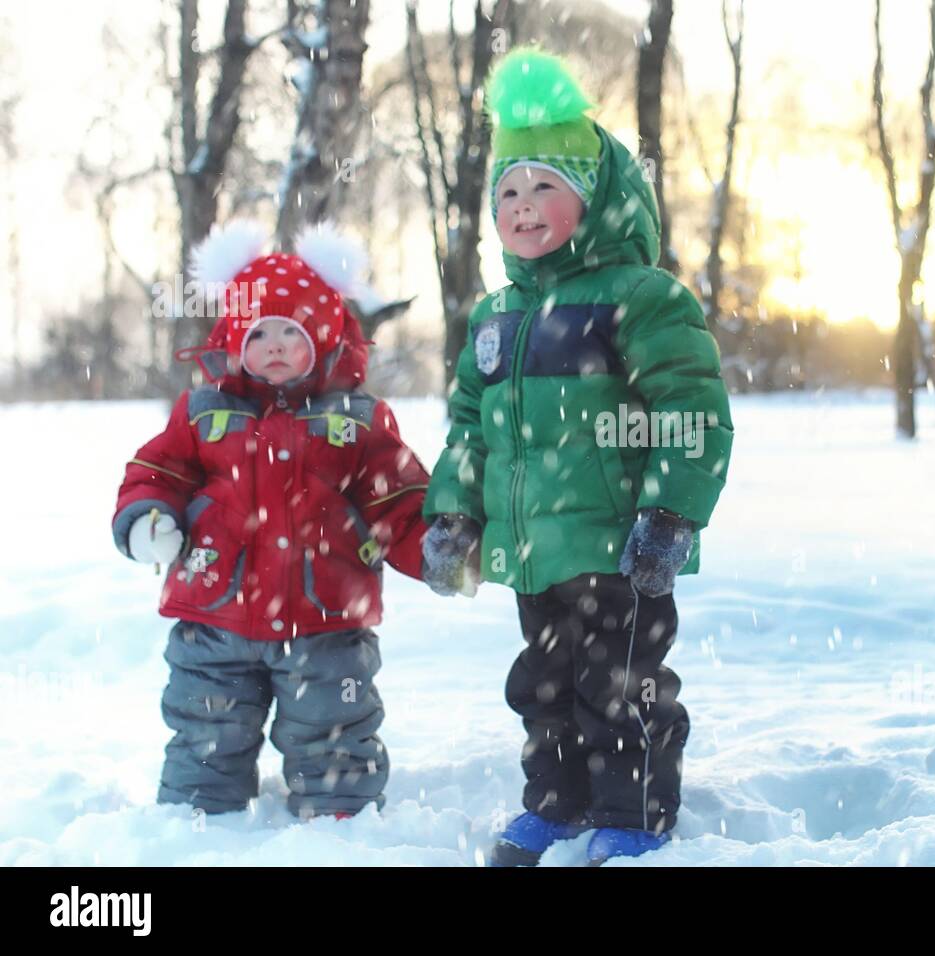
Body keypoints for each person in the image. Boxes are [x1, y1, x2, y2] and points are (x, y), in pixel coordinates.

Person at [421, 49, 734, 865]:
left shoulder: (642, 297)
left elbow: (691, 413)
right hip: (533, 552)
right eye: (508, 192)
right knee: (543, 686)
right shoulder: (494, 317)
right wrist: (455, 514)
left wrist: (669, 516)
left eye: (544, 188)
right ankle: (557, 803)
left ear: (594, 203)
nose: (522, 207)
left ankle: (634, 813)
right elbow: (468, 427)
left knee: (618, 685)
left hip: (618, 550)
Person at [112, 221, 431, 820]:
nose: (278, 344)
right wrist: (146, 516)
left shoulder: (358, 420)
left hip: (326, 619)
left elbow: (400, 499)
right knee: (206, 725)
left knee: (333, 724)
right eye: (261, 332)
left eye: (294, 330)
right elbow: (157, 471)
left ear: (327, 336)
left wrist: (435, 546)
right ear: (235, 339)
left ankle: (341, 818)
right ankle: (197, 819)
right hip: (214, 614)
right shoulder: (204, 412)